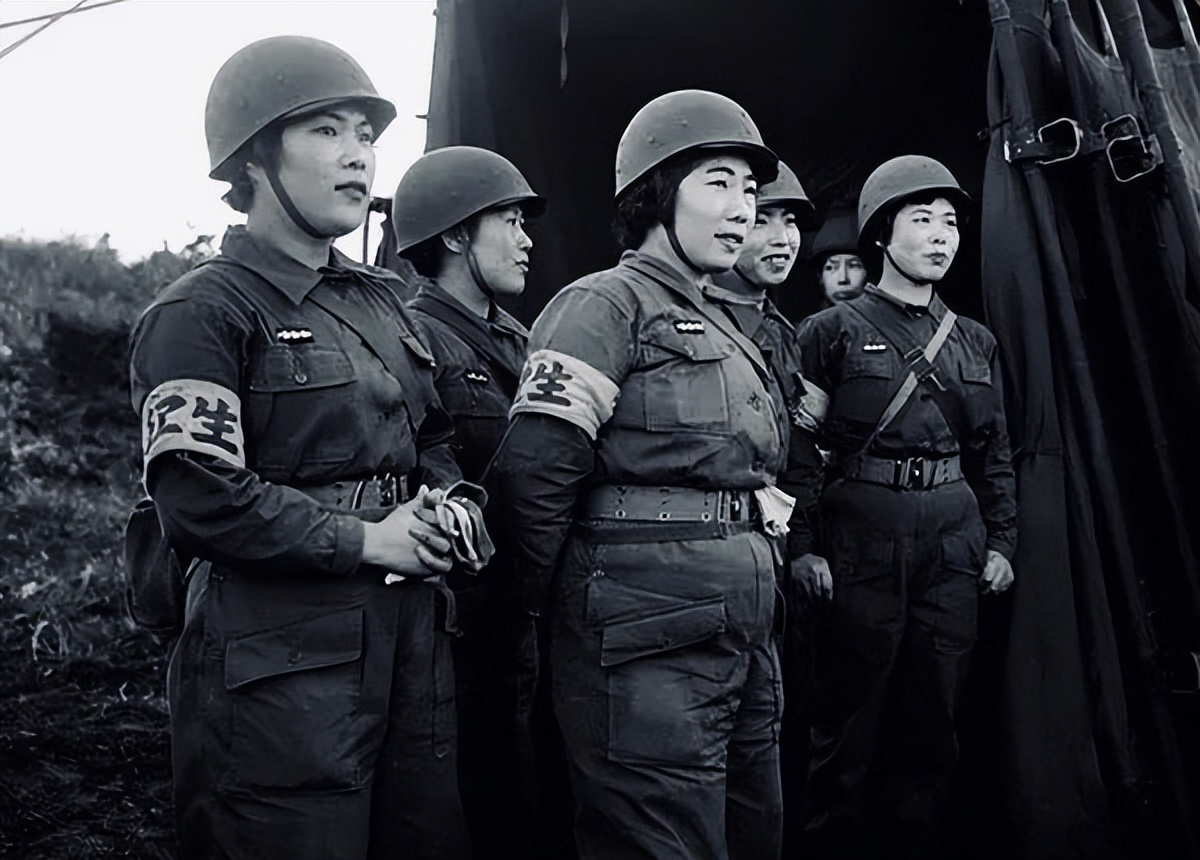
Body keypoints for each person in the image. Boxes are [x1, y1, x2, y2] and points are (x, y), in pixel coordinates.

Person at [128, 36, 485, 860]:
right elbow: (196, 496)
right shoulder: (202, 314)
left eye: (366, 136)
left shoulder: (383, 303)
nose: (358, 156)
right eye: (327, 131)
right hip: (280, 672)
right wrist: (366, 538)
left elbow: (431, 435)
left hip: (411, 650)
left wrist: (450, 506)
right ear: (255, 157)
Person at [490, 89, 795, 860]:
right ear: (656, 194)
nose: (741, 209)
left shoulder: (729, 324)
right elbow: (534, 477)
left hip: (743, 635)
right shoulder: (602, 304)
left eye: (750, 191)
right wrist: (527, 630)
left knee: (751, 834)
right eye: (718, 183)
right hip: (641, 642)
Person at [791, 155, 1017, 859]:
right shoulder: (827, 332)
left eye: (950, 222)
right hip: (861, 534)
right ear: (881, 235)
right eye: (921, 220)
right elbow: (796, 450)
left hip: (953, 536)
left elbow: (997, 452)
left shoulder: (975, 340)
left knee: (936, 718)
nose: (940, 235)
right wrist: (801, 544)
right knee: (848, 722)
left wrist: (1003, 541)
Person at [386, 145, 567, 859]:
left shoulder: (522, 339)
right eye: (510, 222)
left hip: (526, 610)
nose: (526, 241)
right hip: (458, 623)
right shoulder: (410, 337)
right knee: (472, 798)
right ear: (457, 234)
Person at [702, 161, 825, 858]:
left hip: (770, 568)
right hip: (701, 562)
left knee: (766, 752)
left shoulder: (783, 331)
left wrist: (802, 545)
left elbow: (797, 459)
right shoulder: (682, 311)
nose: (782, 238)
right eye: (765, 218)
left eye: (791, 224)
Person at [810, 210, 868, 306]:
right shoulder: (810, 321)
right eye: (830, 268)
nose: (843, 279)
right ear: (820, 277)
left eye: (854, 266)